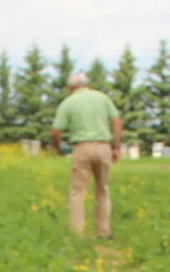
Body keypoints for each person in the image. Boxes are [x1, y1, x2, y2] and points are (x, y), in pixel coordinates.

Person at [48, 71, 123, 240]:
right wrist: (116, 147)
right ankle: (104, 231)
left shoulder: (68, 102)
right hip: (103, 146)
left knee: (78, 192)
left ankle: (78, 233)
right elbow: (117, 122)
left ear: (71, 87)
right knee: (103, 190)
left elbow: (56, 131)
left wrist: (59, 148)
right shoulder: (102, 98)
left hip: (81, 147)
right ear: (86, 84)